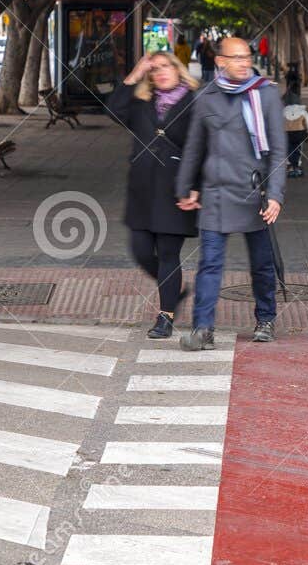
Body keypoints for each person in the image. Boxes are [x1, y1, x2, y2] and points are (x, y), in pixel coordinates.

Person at [175, 36, 286, 348]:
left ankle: (266, 319)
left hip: (256, 193)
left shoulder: (265, 94)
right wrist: (186, 186)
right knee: (209, 263)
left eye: (246, 57)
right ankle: (203, 328)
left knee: (262, 264)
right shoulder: (207, 96)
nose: (243, 62)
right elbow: (194, 148)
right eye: (235, 57)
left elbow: (278, 151)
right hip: (216, 194)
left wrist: (276, 194)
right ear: (220, 61)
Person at [106, 49, 198, 339]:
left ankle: (165, 316)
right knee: (141, 250)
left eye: (165, 66)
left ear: (177, 68)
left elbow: (205, 149)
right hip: (142, 190)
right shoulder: (142, 102)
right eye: (154, 69)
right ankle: (173, 288)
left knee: (169, 253)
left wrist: (196, 186)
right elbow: (112, 110)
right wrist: (135, 74)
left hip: (176, 190)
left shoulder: (196, 102)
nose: (160, 72)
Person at [282, 83, 308, 176]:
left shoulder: (282, 111)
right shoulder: (303, 112)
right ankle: (297, 165)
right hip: (300, 133)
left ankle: (289, 165)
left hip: (286, 133)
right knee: (298, 149)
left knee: (288, 149)